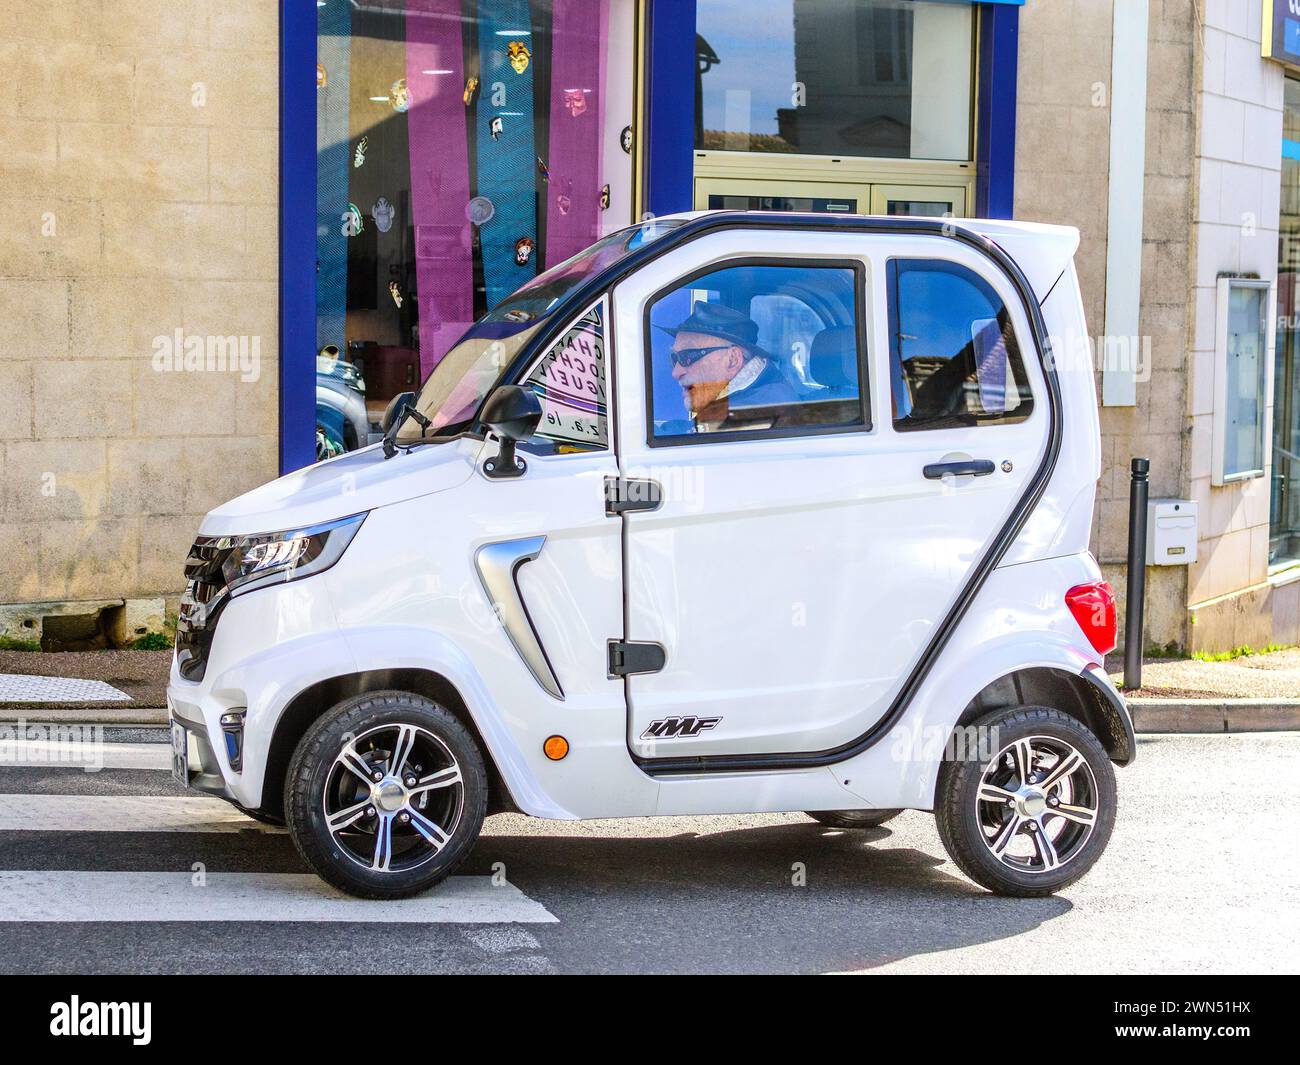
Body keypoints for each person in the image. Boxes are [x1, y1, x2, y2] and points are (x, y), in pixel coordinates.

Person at [658, 303, 797, 433]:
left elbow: (684, 443)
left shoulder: (757, 408)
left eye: (686, 356)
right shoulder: (766, 391)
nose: (676, 373)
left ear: (733, 359)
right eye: (675, 358)